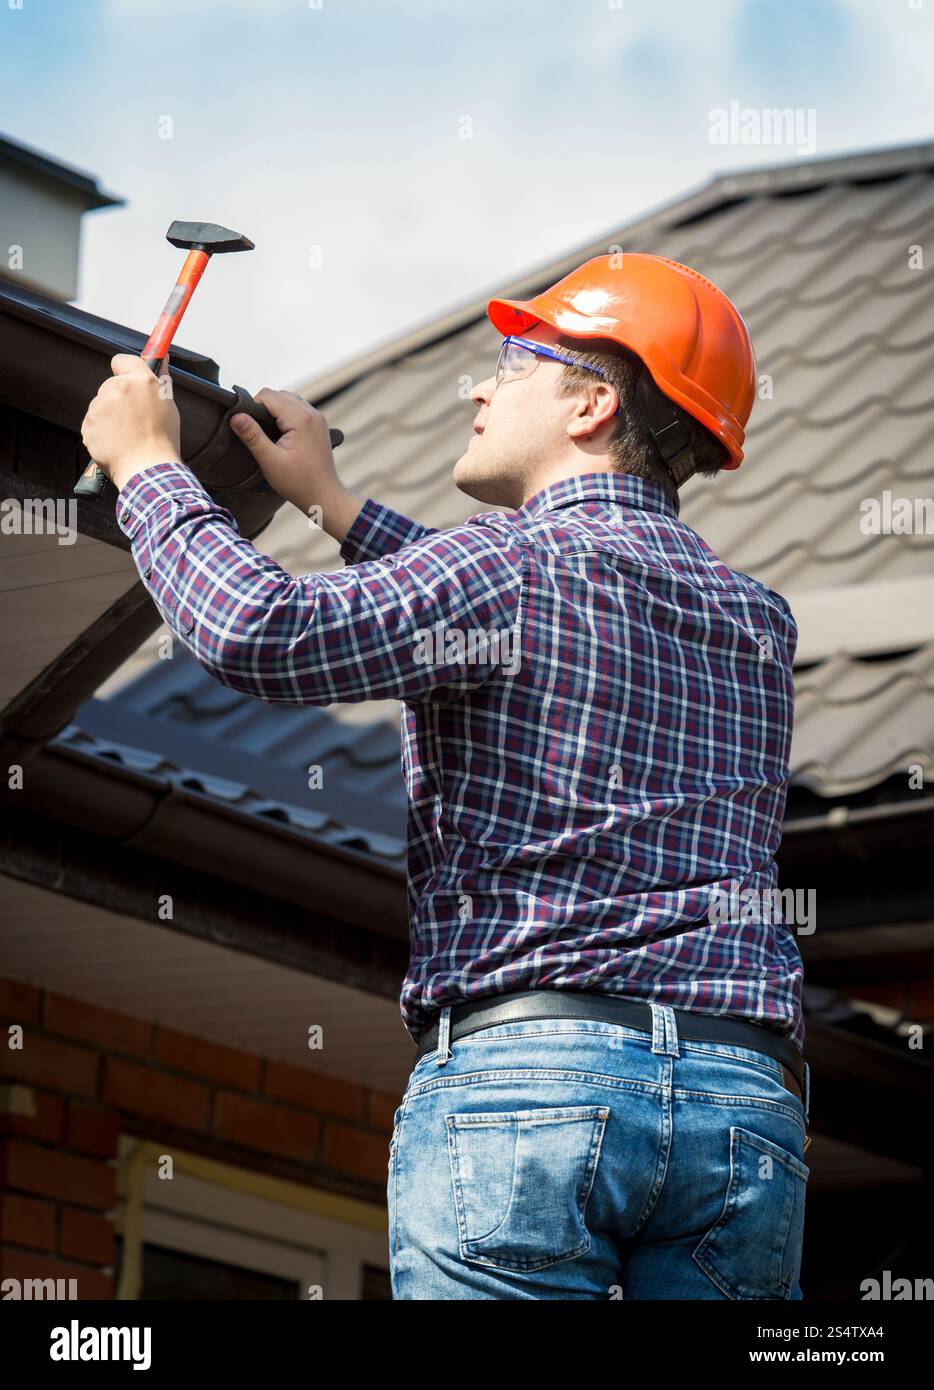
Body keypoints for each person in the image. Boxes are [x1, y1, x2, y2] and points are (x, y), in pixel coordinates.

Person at [81, 252, 810, 1301]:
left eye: (514, 363)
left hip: (534, 1085)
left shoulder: (505, 563)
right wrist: (333, 504)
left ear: (593, 403)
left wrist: (149, 467)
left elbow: (257, 631)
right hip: (740, 1104)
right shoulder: (753, 621)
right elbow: (530, 636)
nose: (478, 385)